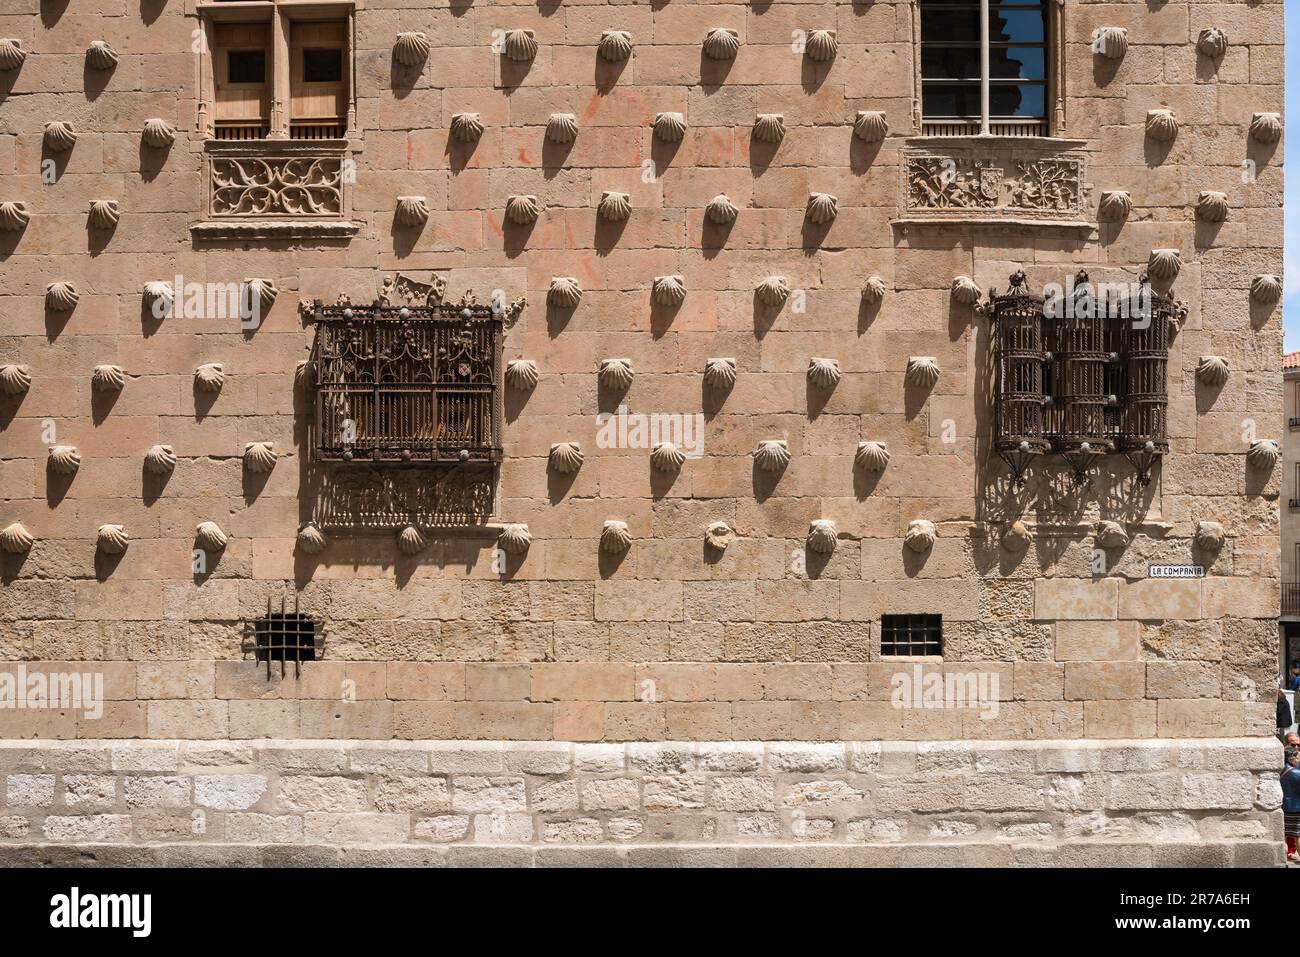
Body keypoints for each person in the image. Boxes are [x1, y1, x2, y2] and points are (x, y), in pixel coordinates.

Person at [1282, 749, 1300, 862]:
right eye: (1297, 757)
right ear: (1291, 758)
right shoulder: (1295, 773)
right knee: (1297, 835)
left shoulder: (1280, 770)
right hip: (1295, 808)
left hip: (1283, 807)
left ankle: (1282, 859)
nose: (1298, 760)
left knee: (1283, 835)